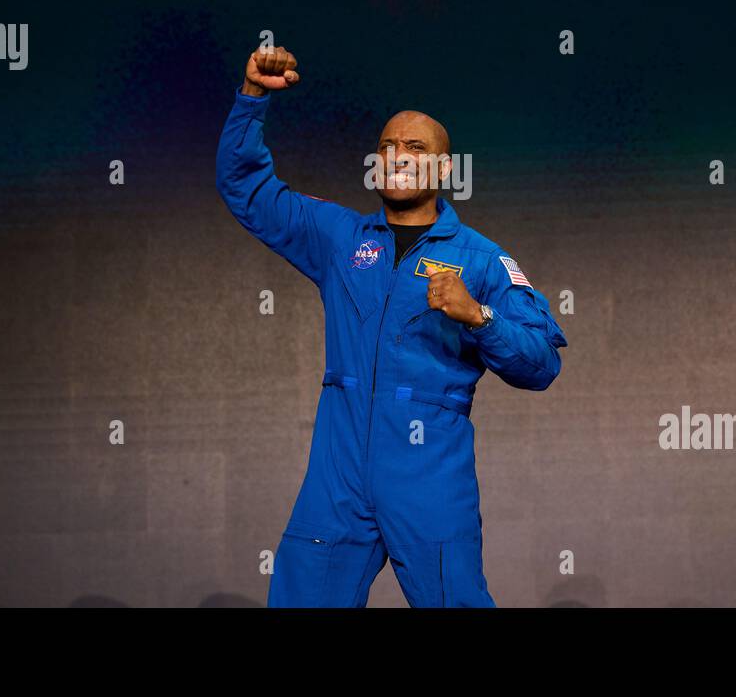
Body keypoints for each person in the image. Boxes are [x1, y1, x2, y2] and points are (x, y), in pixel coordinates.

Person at [216, 45, 567, 607]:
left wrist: (480, 315)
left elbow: (543, 362)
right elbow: (248, 190)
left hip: (427, 475)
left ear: (444, 168)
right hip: (339, 473)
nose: (397, 155)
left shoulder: (480, 260)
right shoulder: (340, 238)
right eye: (386, 147)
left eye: (415, 147)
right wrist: (253, 99)